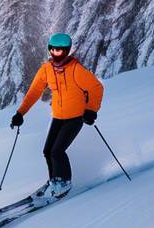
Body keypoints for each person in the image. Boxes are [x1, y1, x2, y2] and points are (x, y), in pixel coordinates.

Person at [9, 33, 103, 200]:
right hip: (58, 117)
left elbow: (96, 87)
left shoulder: (76, 69)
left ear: (66, 51)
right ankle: (55, 180)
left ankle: (63, 182)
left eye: (59, 51)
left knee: (57, 151)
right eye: (52, 50)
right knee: (47, 151)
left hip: (75, 117)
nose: (55, 53)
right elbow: (34, 92)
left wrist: (91, 110)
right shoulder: (47, 69)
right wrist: (20, 113)